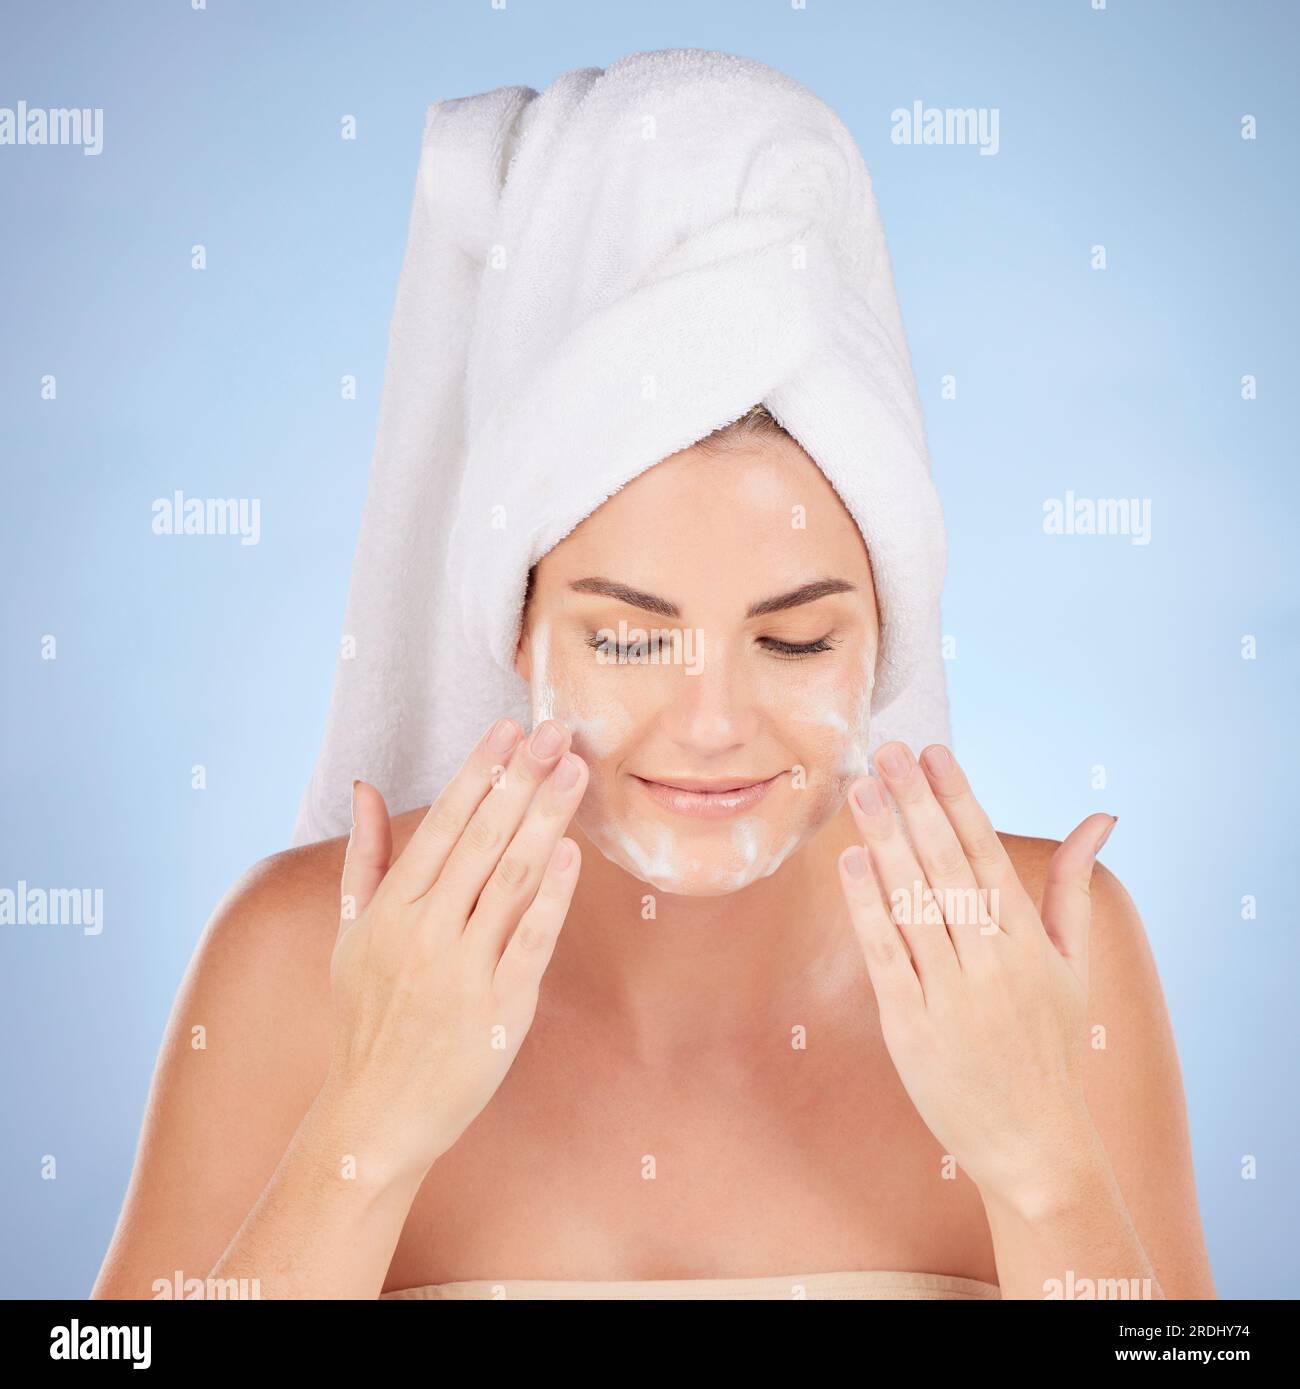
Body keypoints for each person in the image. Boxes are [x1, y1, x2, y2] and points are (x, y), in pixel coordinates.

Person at [91, 405, 1215, 1300]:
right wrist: (365, 1133)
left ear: (883, 649)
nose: (711, 722)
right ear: (518, 634)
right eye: (628, 639)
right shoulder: (309, 951)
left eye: (795, 638)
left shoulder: (1038, 948)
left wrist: (1045, 1170)